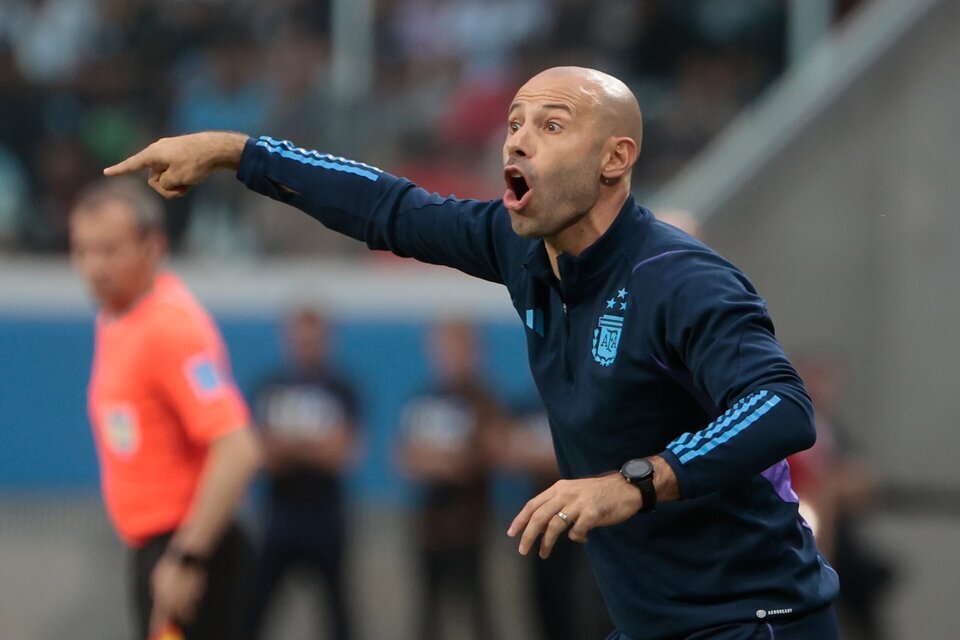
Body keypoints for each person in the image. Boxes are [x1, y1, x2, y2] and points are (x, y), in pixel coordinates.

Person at [105, 65, 841, 639]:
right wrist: (241, 153)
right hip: (655, 624)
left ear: (617, 157)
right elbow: (390, 209)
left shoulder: (679, 278)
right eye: (514, 122)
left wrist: (634, 482)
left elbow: (780, 407)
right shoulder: (521, 250)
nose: (518, 138)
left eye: (552, 125)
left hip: (757, 621)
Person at [69, 179, 261, 640]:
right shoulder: (118, 317)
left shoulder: (170, 330)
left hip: (189, 553)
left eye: (110, 250)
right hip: (155, 550)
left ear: (153, 247)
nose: (94, 266)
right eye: (83, 251)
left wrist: (186, 559)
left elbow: (238, 449)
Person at [248, 306, 360, 640]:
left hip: (326, 519)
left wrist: (288, 443)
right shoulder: (269, 387)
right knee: (252, 614)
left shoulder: (343, 389)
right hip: (278, 518)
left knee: (339, 618)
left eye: (314, 338)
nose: (307, 345)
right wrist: (314, 443)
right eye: (300, 338)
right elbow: (260, 454)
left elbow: (341, 455)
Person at [395, 320, 500, 640]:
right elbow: (404, 458)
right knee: (428, 614)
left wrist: (434, 458)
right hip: (429, 526)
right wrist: (447, 458)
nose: (451, 358)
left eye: (459, 349)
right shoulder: (423, 399)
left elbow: (478, 458)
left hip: (469, 527)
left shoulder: (484, 401)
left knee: (478, 614)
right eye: (445, 350)